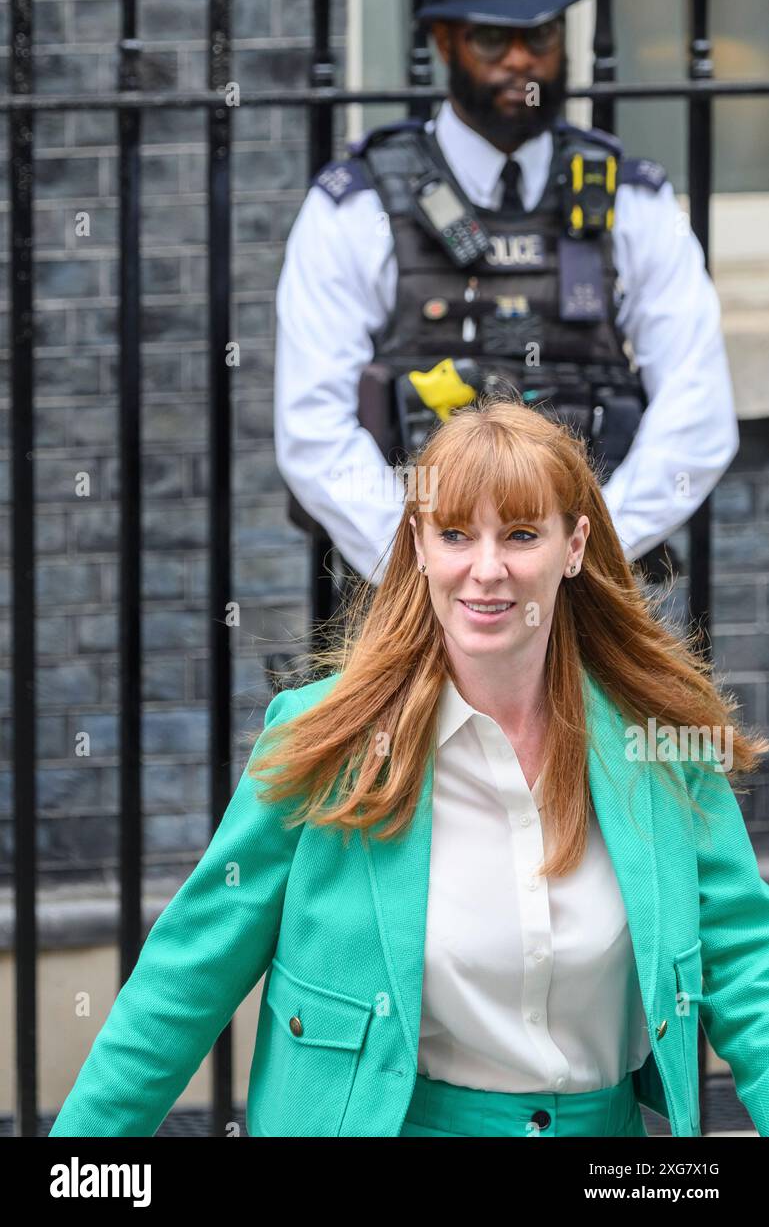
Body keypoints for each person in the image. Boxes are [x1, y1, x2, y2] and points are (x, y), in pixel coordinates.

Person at [49, 396, 769, 1138]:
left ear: (575, 544)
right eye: (455, 534)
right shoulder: (324, 740)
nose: (486, 570)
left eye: (521, 535)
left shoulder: (663, 744)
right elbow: (185, 978)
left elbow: (750, 977)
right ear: (419, 544)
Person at [274, 0, 738, 592]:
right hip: (415, 597)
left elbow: (698, 409)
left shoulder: (633, 202)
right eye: (493, 37)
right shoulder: (356, 206)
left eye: (541, 33)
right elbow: (312, 431)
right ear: (441, 38)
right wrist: (436, 570)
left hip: (596, 595)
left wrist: (580, 558)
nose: (521, 60)